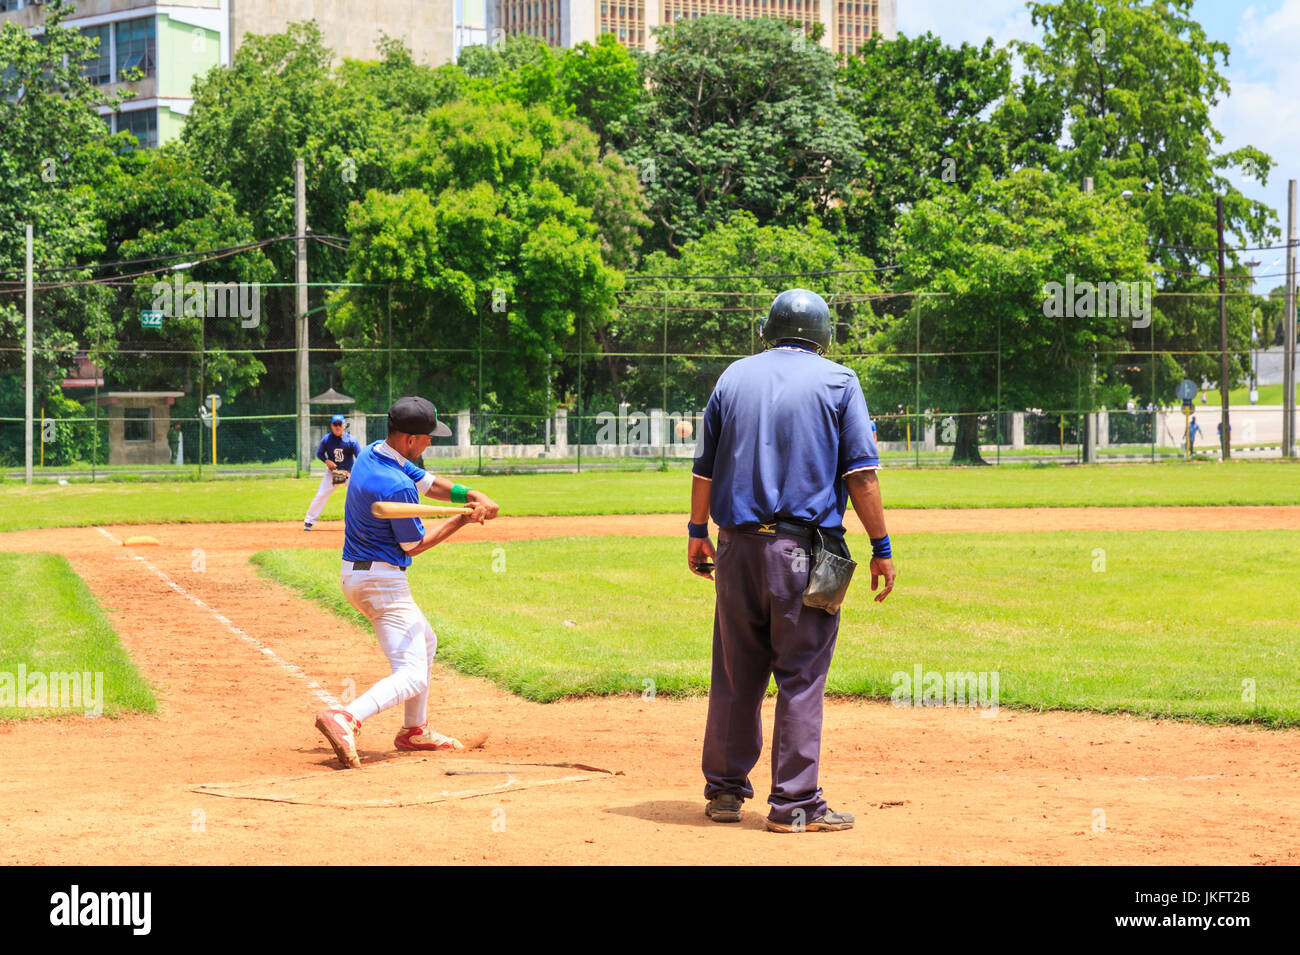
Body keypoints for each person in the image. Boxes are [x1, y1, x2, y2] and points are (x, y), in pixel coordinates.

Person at [689, 288, 897, 833]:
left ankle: (726, 792)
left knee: (736, 673)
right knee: (801, 675)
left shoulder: (733, 376)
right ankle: (795, 805)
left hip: (735, 548)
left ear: (768, 330)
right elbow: (861, 476)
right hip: (803, 553)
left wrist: (695, 533)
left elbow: (704, 470)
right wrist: (881, 547)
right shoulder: (839, 381)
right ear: (823, 336)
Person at [314, 396, 499, 769]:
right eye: (428, 437)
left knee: (426, 641)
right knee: (412, 674)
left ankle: (415, 730)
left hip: (359, 573)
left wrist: (470, 494)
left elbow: (430, 485)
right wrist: (462, 520)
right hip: (381, 582)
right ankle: (347, 716)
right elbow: (415, 545)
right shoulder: (396, 486)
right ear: (411, 439)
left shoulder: (373, 454)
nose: (431, 442)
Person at [304, 414, 362, 530]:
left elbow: (360, 457)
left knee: (359, 496)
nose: (337, 427)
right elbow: (319, 454)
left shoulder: (351, 440)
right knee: (321, 494)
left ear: (344, 426)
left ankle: (362, 523)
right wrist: (326, 461)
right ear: (331, 425)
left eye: (339, 424)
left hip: (348, 472)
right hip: (333, 473)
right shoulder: (326, 440)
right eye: (335, 424)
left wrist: (353, 473)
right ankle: (309, 521)